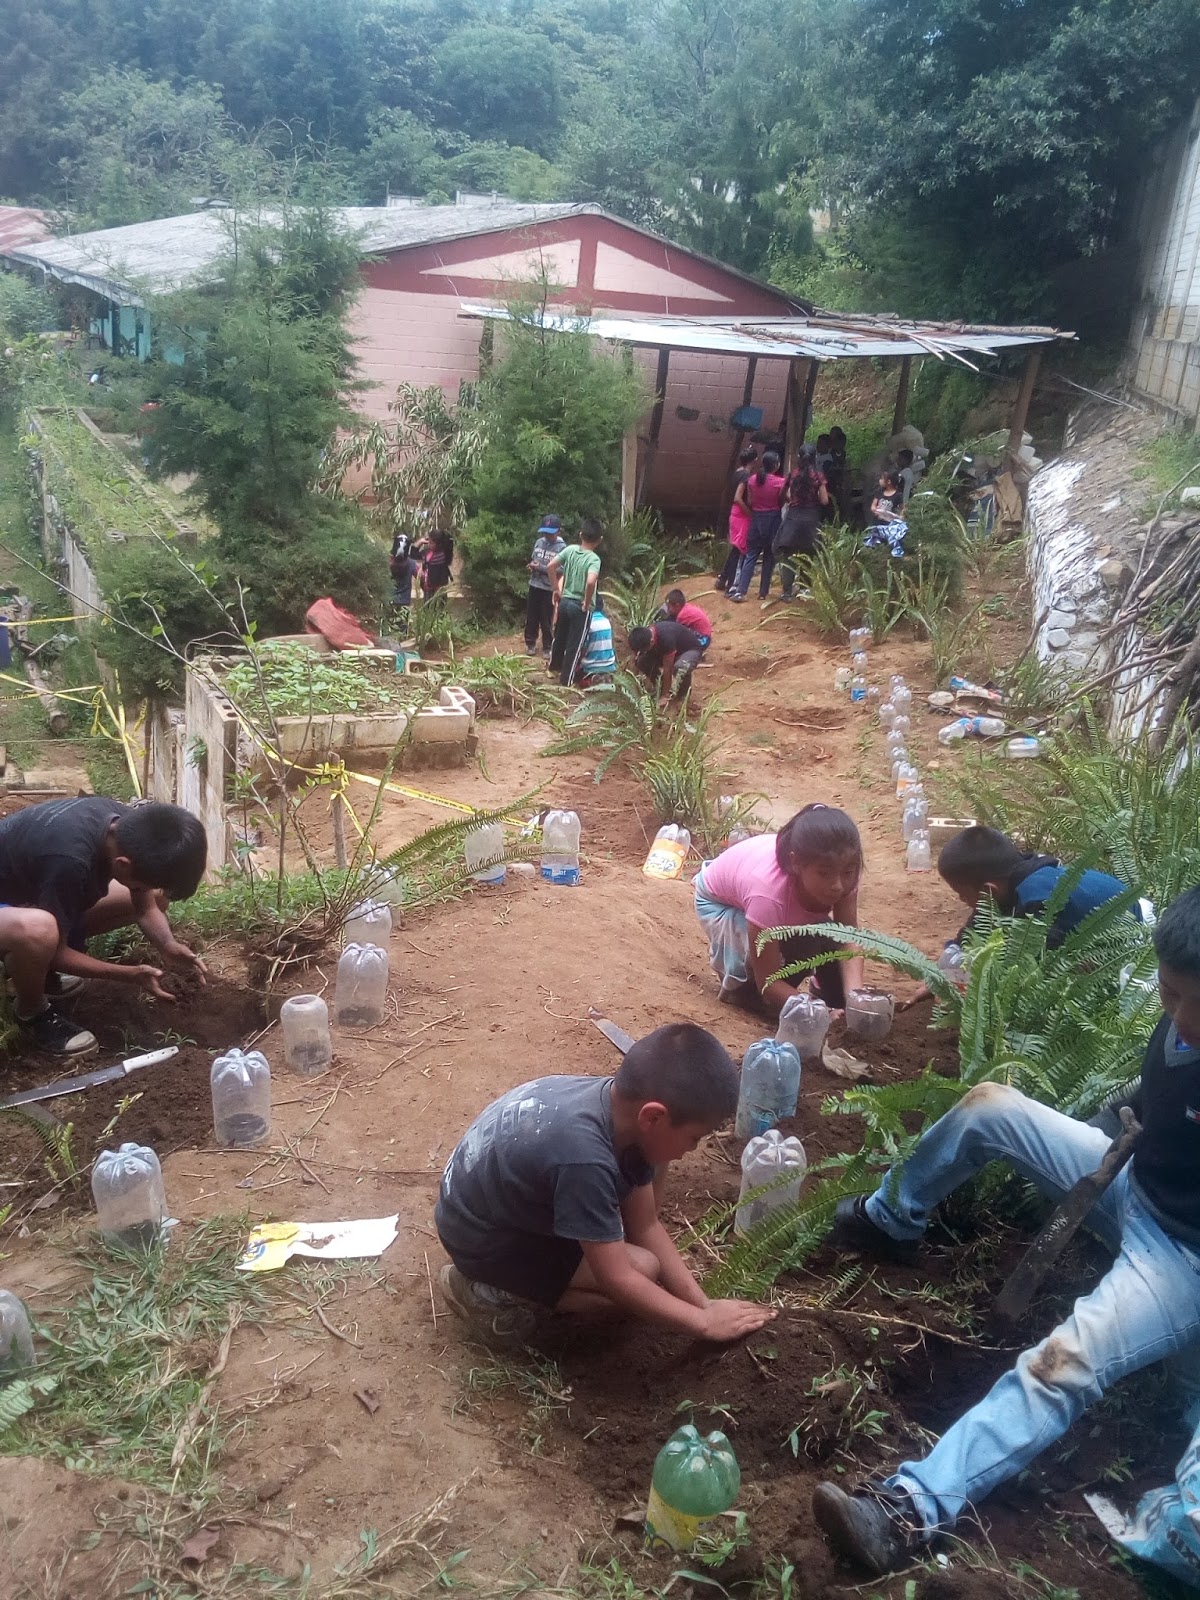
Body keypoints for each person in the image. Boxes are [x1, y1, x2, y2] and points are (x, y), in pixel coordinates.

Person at [812, 886, 1200, 1584]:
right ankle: (888, 1219)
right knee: (990, 1108)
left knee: (1066, 1362)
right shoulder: (1183, 1013)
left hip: (1182, 1254)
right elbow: (1167, 1085)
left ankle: (909, 1508)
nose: (1182, 1018)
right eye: (1171, 994)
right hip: (1131, 1181)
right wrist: (1132, 1114)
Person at [435, 1023, 777, 1346]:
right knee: (634, 1278)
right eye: (693, 1138)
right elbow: (618, 1280)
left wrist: (704, 1304)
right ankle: (484, 1292)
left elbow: (645, 1224)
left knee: (642, 1265)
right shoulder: (584, 1159)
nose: (692, 1149)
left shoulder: (624, 1114)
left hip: (500, 1207)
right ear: (654, 1117)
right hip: (479, 1237)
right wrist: (703, 1324)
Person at [0, 797, 208, 1057]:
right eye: (139, 886)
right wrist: (128, 974)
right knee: (39, 933)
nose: (140, 891)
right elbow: (55, 950)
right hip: (13, 903)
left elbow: (145, 907)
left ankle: (37, 971)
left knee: (157, 897)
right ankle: (31, 1011)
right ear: (123, 864)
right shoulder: (69, 861)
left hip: (25, 890)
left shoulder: (125, 825)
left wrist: (168, 945)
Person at [693, 804, 865, 1013]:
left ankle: (823, 991)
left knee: (827, 936)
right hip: (720, 903)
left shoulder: (842, 874)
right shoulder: (767, 893)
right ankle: (741, 990)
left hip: (770, 900)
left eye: (847, 872)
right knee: (805, 945)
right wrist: (820, 1012)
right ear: (796, 863)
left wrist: (855, 1000)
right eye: (824, 873)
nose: (838, 885)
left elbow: (848, 938)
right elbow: (768, 983)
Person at [548, 518, 603, 687]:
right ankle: (567, 680)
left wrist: (556, 589)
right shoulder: (594, 559)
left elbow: (551, 566)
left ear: (581, 535)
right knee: (575, 644)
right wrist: (587, 603)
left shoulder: (570, 550)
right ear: (599, 540)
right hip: (579, 607)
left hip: (564, 602)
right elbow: (591, 581)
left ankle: (553, 667)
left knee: (560, 637)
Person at [728, 449, 786, 606]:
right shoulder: (780, 482)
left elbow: (750, 501)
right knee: (769, 556)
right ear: (776, 465)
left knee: (751, 554)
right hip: (773, 520)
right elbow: (783, 500)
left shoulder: (753, 480)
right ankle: (763, 592)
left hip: (756, 519)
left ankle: (741, 590)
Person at [776, 444, 830, 601]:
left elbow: (782, 494)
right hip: (811, 519)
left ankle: (786, 593)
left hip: (793, 518)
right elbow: (825, 500)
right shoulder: (818, 477)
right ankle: (806, 590)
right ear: (814, 458)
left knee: (788, 555)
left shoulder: (793, 474)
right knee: (809, 555)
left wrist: (792, 500)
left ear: (799, 458)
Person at [629, 618, 705, 701]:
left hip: (690, 650)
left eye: (645, 649)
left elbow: (667, 669)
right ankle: (660, 687)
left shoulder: (665, 638)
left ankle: (683, 696)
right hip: (670, 650)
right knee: (642, 662)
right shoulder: (644, 636)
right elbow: (635, 658)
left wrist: (665, 696)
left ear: (651, 642)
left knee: (681, 667)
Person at [524, 516, 566, 658]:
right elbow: (534, 559)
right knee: (531, 616)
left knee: (546, 619)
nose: (547, 535)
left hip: (549, 588)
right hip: (534, 585)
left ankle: (547, 647)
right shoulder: (539, 543)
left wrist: (541, 568)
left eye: (550, 532)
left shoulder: (562, 548)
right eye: (545, 532)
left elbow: (561, 570)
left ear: (558, 531)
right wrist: (532, 566)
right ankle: (530, 643)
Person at [717, 446, 758, 591]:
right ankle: (730, 585)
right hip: (741, 515)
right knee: (738, 550)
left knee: (735, 547)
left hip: (734, 514)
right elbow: (738, 498)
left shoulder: (736, 473)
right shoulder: (745, 476)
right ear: (754, 461)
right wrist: (749, 513)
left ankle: (723, 578)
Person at [864, 472, 907, 558]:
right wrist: (874, 509)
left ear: (888, 482)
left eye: (882, 479)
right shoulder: (879, 492)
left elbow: (904, 508)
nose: (880, 481)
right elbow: (874, 504)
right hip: (877, 521)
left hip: (889, 524)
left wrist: (901, 517)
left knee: (889, 540)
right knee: (875, 538)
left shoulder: (898, 495)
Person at [577, 602, 617, 686]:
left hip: (590, 666)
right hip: (609, 665)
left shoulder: (587, 622)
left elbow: (582, 647)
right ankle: (605, 678)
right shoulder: (607, 621)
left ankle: (591, 680)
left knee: (576, 672)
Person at [419, 529, 454, 598]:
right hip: (436, 587)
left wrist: (420, 542)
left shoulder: (432, 554)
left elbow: (413, 553)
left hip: (433, 587)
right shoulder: (444, 554)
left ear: (438, 544)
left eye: (431, 542)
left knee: (431, 606)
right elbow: (413, 554)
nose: (428, 544)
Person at [390, 533, 420, 608]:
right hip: (405, 602)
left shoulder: (387, 563)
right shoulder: (412, 564)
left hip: (389, 601)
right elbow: (421, 577)